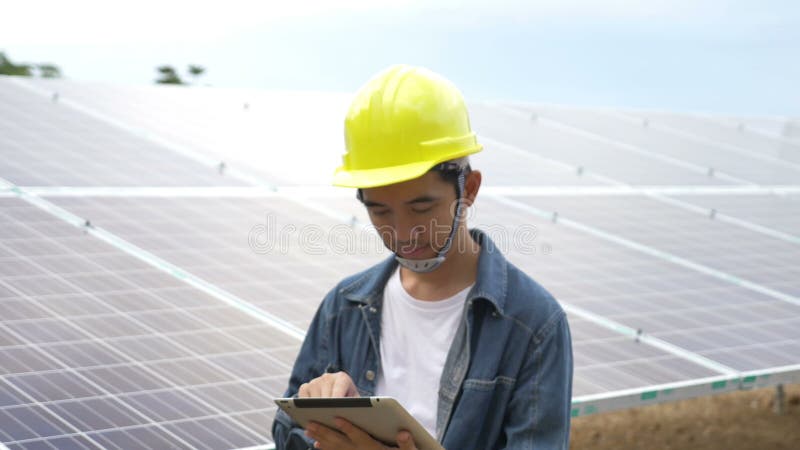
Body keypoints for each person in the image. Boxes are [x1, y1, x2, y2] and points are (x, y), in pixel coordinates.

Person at [272, 65, 573, 450]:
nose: (401, 232)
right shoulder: (342, 307)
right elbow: (284, 433)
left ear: (470, 189)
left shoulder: (533, 324)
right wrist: (317, 422)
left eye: (421, 207)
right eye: (380, 211)